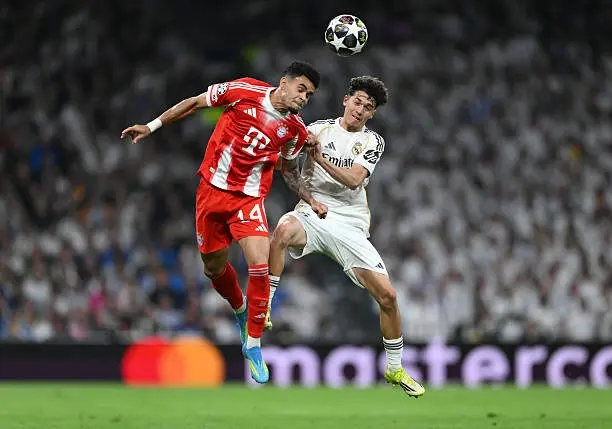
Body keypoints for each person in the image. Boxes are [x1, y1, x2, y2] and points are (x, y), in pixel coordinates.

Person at [121, 61, 328, 384]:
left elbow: (289, 171)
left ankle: (254, 344)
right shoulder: (244, 90)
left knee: (259, 264)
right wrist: (152, 126)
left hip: (248, 200)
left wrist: (311, 199)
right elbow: (194, 103)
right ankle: (240, 309)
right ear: (284, 82)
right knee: (214, 268)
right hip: (212, 193)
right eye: (301, 89)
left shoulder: (295, 130)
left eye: (309, 95)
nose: (304, 98)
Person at [265, 76, 425, 397]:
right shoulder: (316, 129)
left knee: (388, 297)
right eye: (357, 101)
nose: (360, 109)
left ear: (372, 114)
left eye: (368, 106)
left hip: (350, 224)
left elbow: (353, 180)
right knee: (282, 230)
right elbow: (286, 162)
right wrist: (294, 164)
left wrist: (318, 157)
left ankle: (395, 368)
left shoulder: (372, 141)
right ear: (346, 100)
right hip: (312, 212)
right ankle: (263, 304)